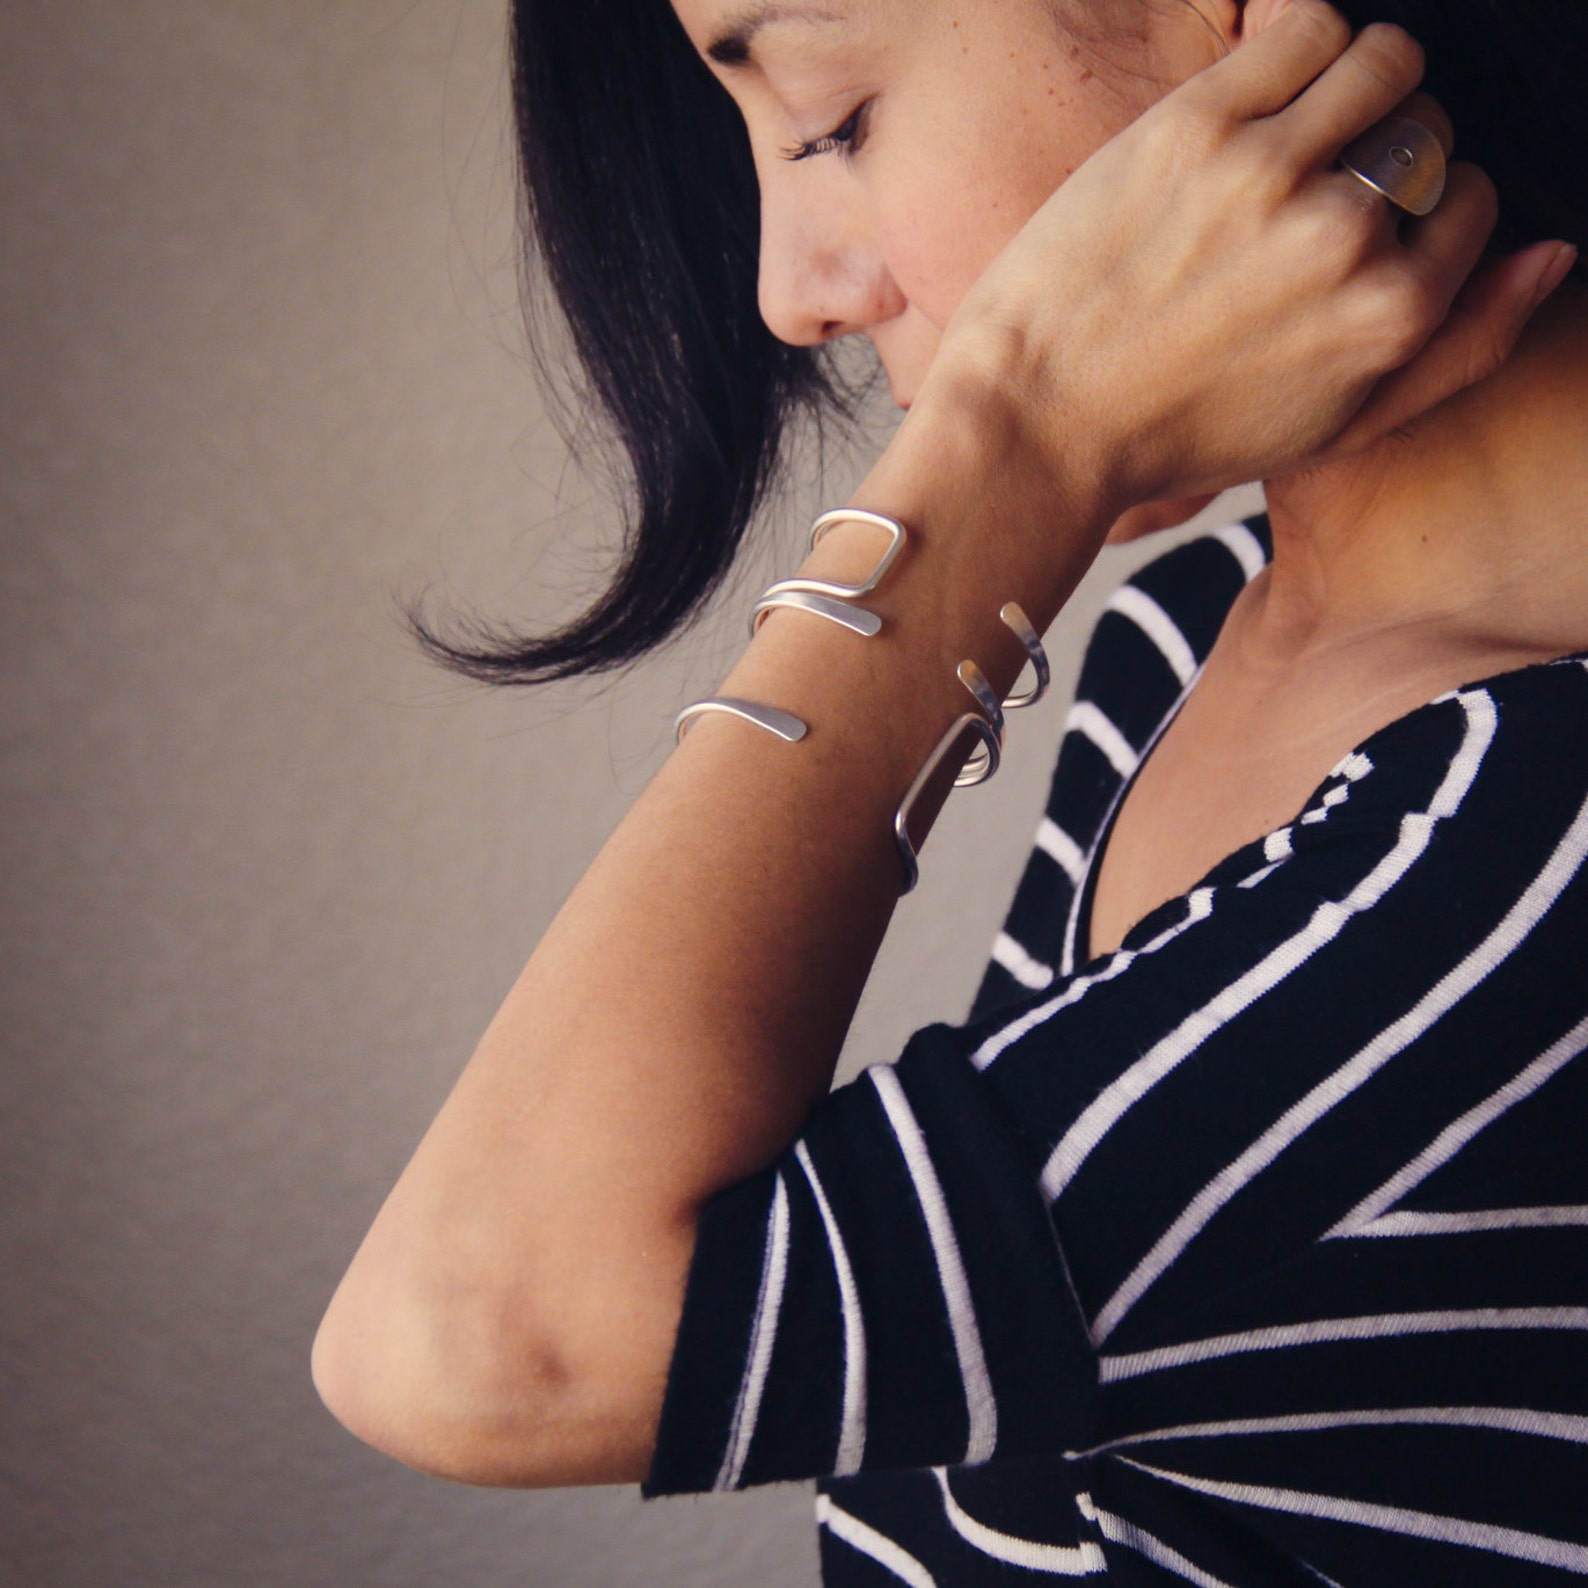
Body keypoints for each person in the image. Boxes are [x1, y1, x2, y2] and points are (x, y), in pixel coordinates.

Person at [312, 0, 1588, 1579]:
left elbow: (482, 1338)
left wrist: (1029, 433)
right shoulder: (1187, 643)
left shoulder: (1528, 827)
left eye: (831, 120)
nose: (791, 292)